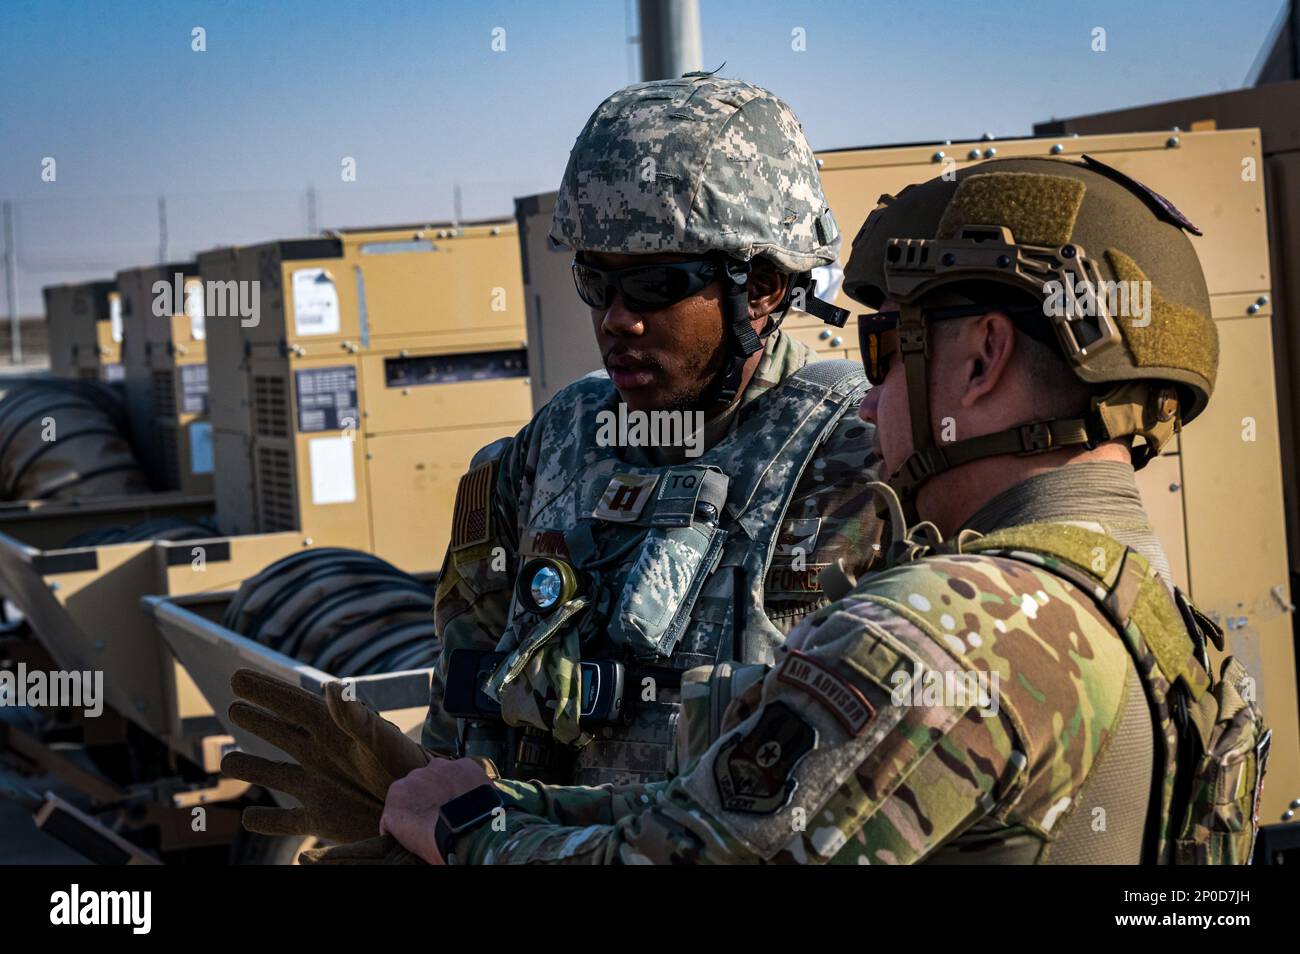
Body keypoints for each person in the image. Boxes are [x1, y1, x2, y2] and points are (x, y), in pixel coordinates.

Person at [377, 155, 1270, 865]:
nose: (872, 400)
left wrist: (463, 833)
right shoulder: (1167, 630)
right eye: (596, 283)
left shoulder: (940, 629)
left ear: (984, 358)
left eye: (886, 350)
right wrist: (503, 797)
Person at [418, 71, 882, 788]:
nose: (617, 319)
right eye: (596, 282)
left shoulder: (856, 455)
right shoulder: (556, 442)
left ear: (760, 288)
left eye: (656, 285)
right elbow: (466, 693)